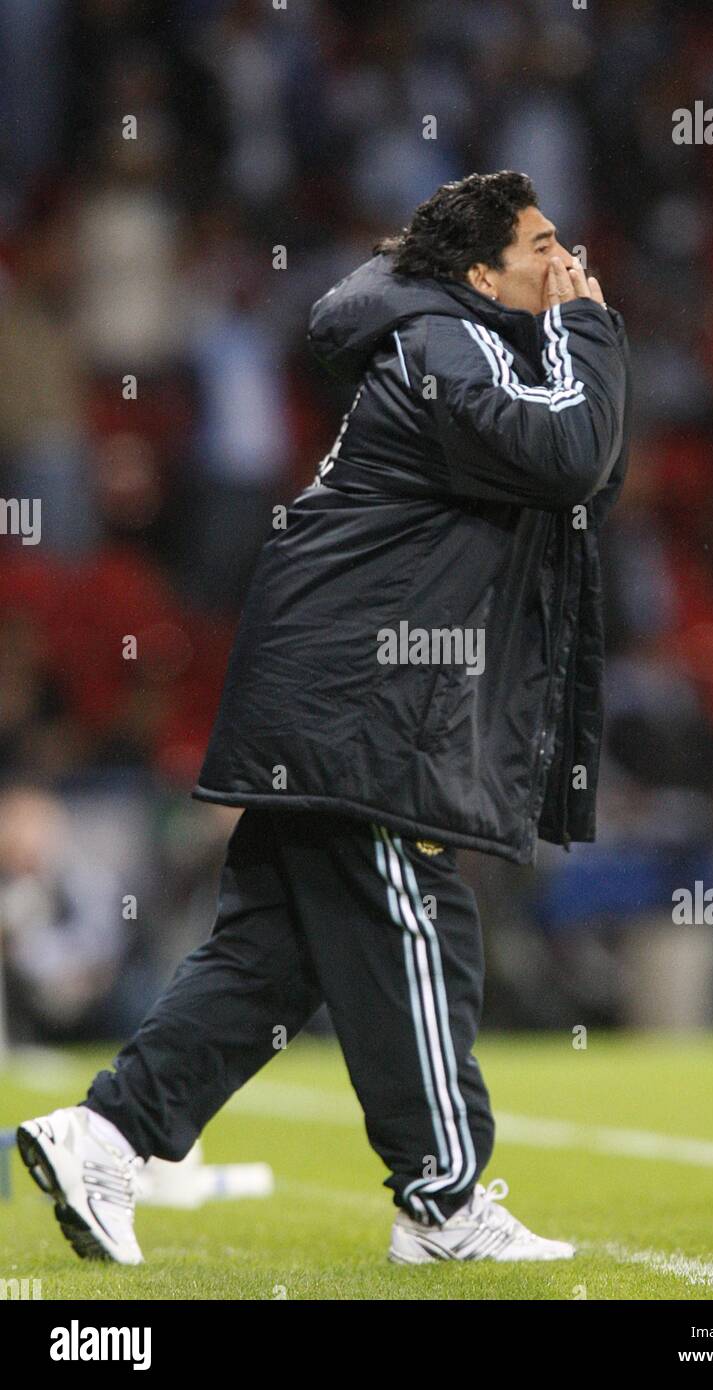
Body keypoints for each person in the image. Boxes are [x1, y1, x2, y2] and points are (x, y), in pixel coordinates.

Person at [18, 171, 630, 1265]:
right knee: (419, 924)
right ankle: (443, 1202)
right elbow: (573, 453)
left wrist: (574, 343)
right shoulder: (457, 339)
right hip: (367, 707)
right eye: (541, 245)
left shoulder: (447, 340)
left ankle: (104, 1134)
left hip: (333, 693)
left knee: (270, 961)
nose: (563, 260)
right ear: (482, 271)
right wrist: (588, 325)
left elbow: (581, 475)